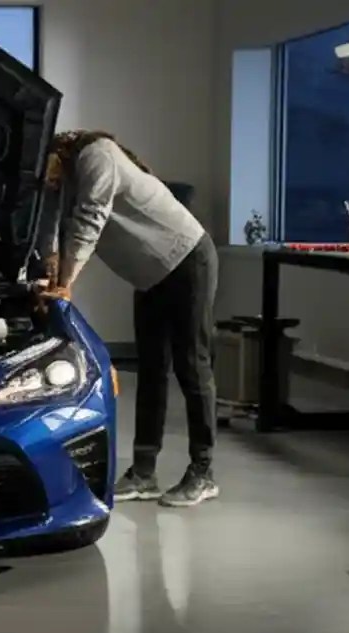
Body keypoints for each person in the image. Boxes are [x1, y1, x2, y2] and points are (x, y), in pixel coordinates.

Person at [37, 130, 219, 508]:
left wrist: (66, 282)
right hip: (150, 274)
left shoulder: (97, 156)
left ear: (58, 152)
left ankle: (203, 473)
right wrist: (47, 272)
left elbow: (90, 217)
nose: (48, 181)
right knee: (151, 368)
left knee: (191, 364)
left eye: (48, 171)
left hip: (187, 259)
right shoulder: (60, 176)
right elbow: (47, 227)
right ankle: (144, 473)